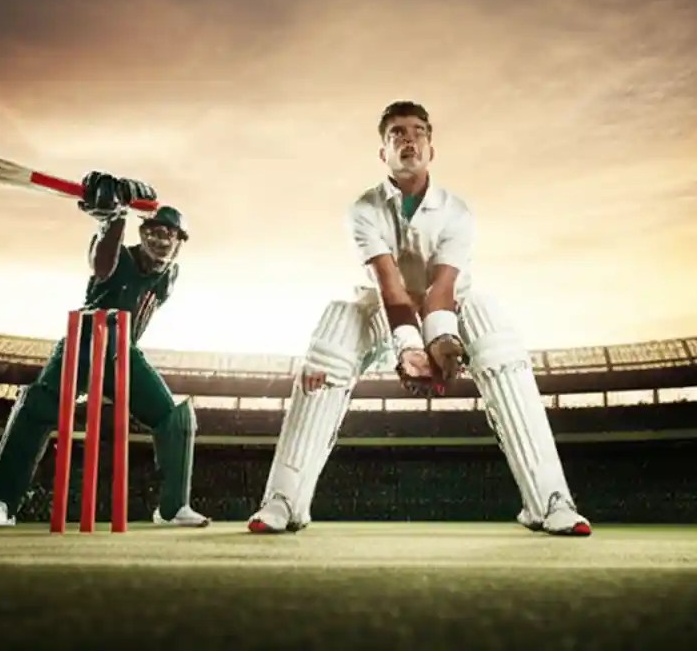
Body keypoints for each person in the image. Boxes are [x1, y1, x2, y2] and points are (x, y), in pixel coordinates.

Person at [247, 101, 592, 536]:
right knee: (332, 337)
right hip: (383, 306)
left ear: (431, 147)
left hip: (451, 307)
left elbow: (440, 289)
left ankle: (550, 501)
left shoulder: (457, 211)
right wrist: (410, 347)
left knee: (496, 335)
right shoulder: (364, 210)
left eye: (417, 132)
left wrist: (442, 340)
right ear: (383, 152)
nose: (408, 139)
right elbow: (390, 286)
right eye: (396, 133)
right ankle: (283, 500)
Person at [0, 171, 209, 528]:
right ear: (141, 235)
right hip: (83, 341)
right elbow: (102, 262)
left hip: (123, 351)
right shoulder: (119, 258)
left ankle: (174, 509)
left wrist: (122, 210)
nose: (162, 241)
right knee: (37, 407)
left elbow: (151, 261)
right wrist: (112, 221)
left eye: (170, 236)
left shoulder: (170, 275)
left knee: (174, 416)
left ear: (179, 243)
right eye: (154, 233)